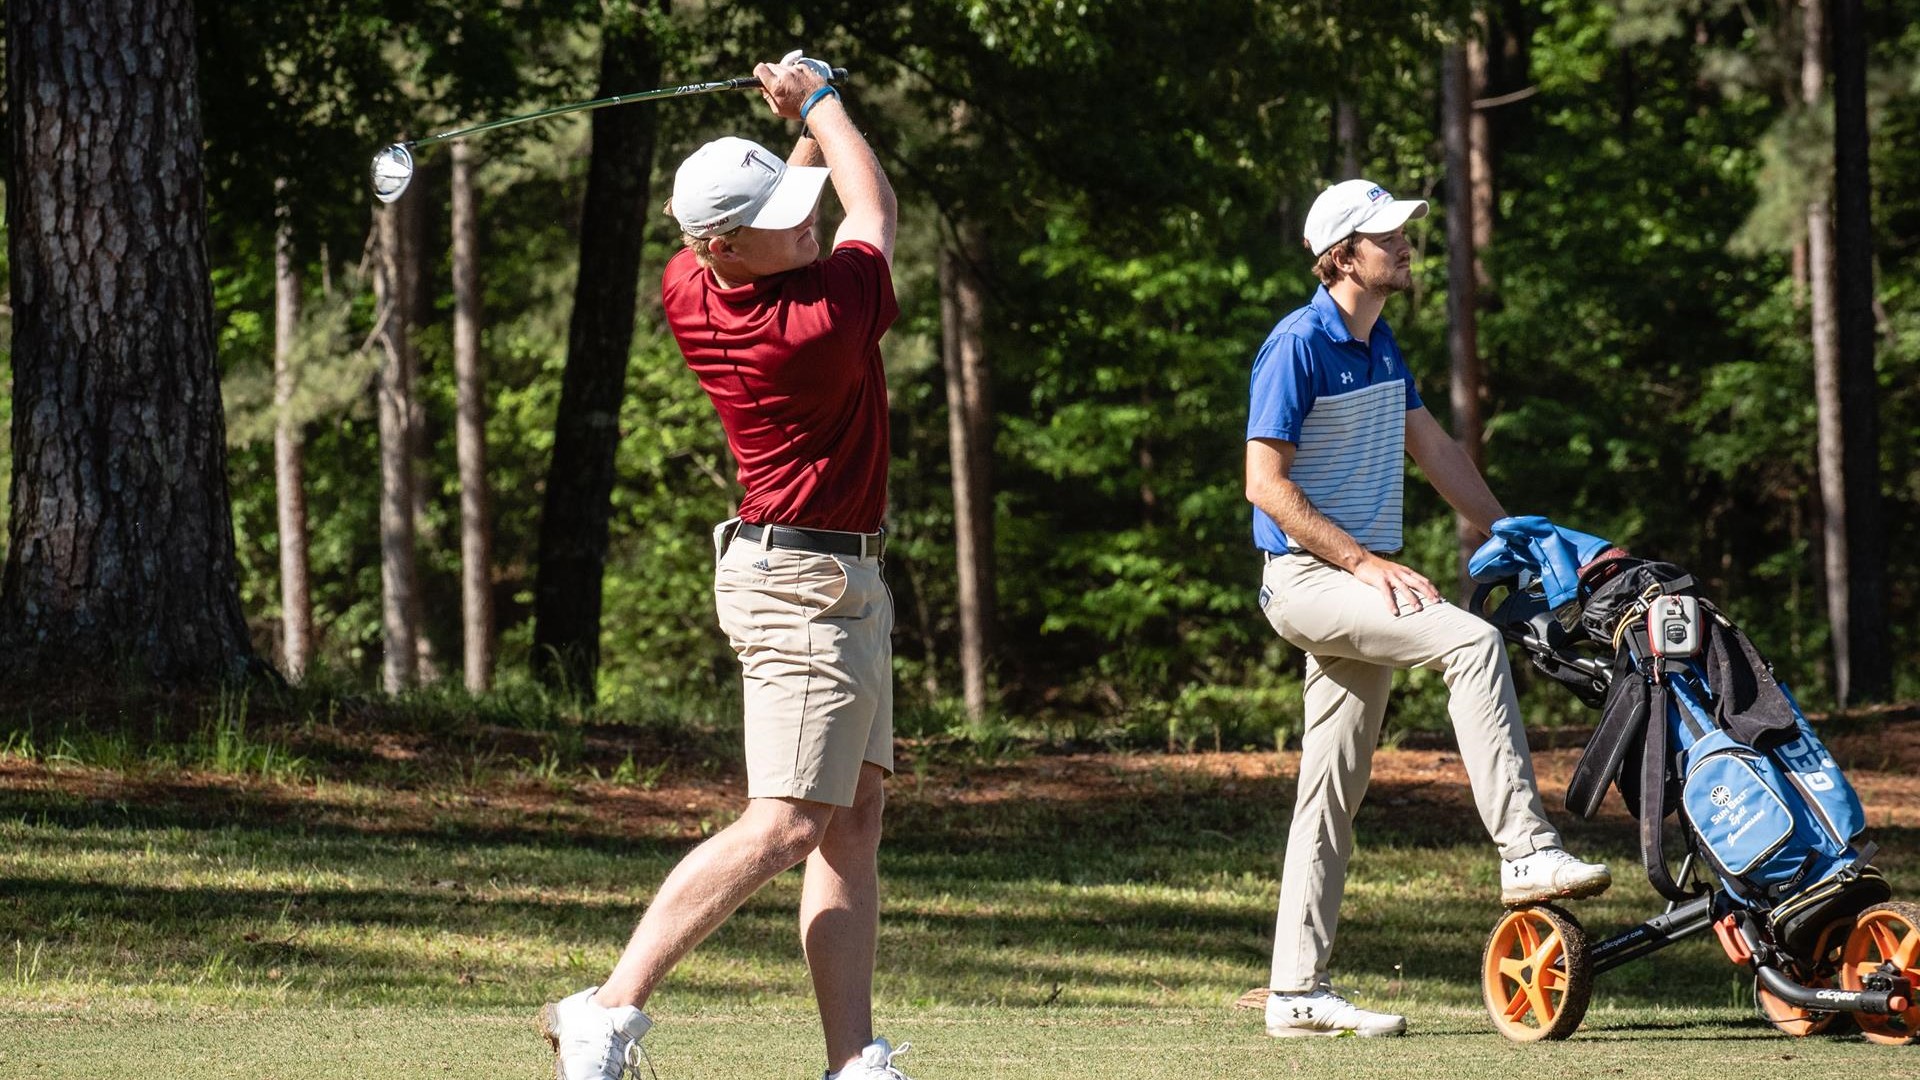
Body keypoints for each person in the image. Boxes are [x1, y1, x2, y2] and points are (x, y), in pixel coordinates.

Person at [539, 52, 913, 1080]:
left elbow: (810, 194)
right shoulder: (817, 319)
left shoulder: (692, 282)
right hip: (804, 588)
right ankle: (606, 1010)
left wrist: (790, 125)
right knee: (789, 821)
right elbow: (869, 203)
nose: (809, 223)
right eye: (783, 221)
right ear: (725, 246)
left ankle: (854, 1060)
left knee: (854, 819)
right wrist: (822, 98)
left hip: (838, 580)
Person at [1244, 178, 1612, 1038]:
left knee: (1329, 790)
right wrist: (1367, 562)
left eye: (1405, 230)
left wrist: (1511, 530)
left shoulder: (1380, 346)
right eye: (1387, 235)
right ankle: (1525, 851)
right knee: (1473, 642)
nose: (1406, 243)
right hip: (1306, 580)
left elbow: (1436, 448)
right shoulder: (1297, 344)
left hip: (1349, 579)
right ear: (1342, 256)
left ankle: (1296, 994)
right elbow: (1265, 483)